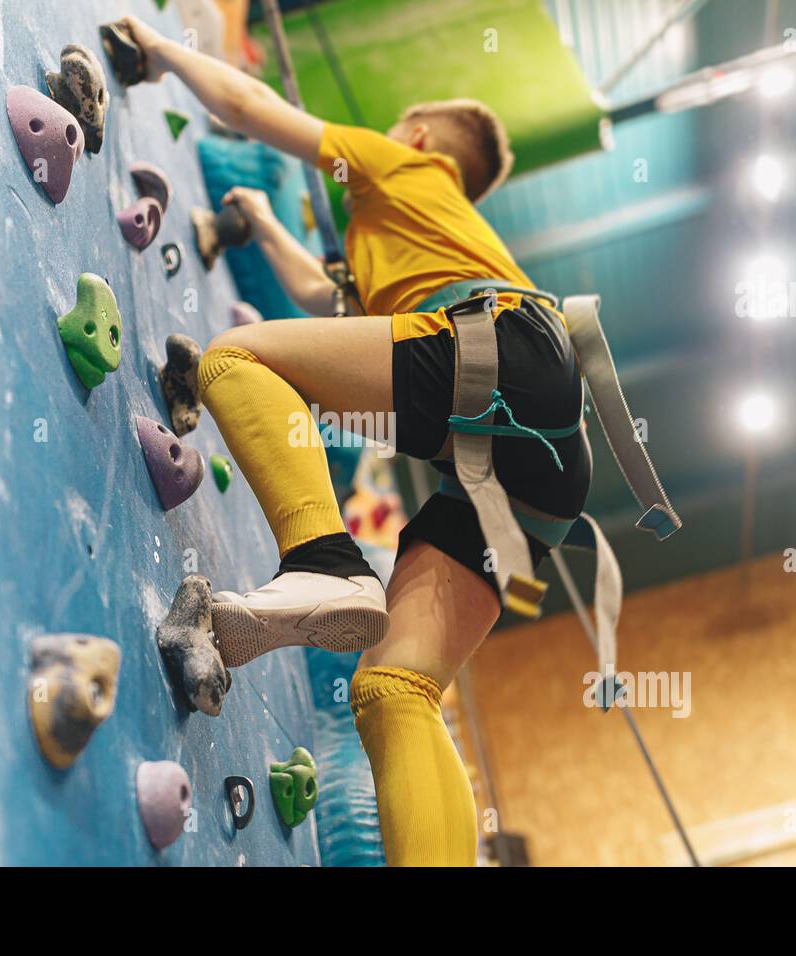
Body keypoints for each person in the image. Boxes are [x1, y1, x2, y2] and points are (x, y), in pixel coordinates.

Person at [119, 15, 590, 865]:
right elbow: (320, 295)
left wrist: (160, 51)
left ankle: (323, 564)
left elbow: (247, 100)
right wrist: (264, 222)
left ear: (413, 137)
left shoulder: (402, 164)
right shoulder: (415, 240)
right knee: (394, 689)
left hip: (500, 358)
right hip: (536, 475)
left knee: (236, 360)